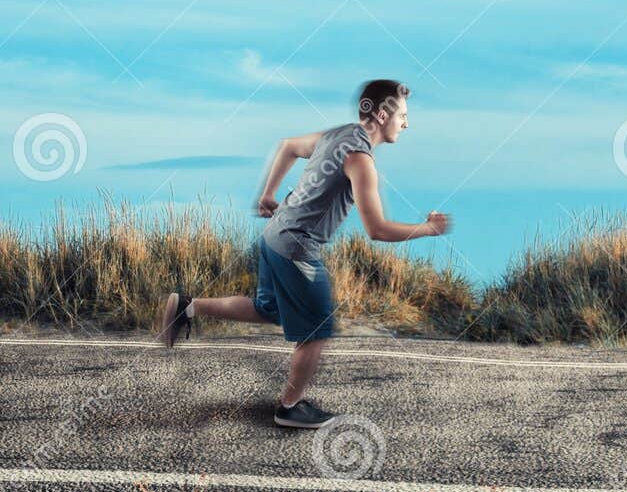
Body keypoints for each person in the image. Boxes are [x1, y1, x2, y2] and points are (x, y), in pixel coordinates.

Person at [157, 79, 451, 429]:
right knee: (317, 330)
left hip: (274, 236)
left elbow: (288, 146)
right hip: (296, 247)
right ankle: (289, 407)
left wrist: (268, 195)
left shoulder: (335, 135)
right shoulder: (360, 161)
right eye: (402, 115)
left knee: (269, 309)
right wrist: (428, 229)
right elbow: (378, 230)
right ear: (383, 115)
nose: (406, 123)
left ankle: (187, 307)